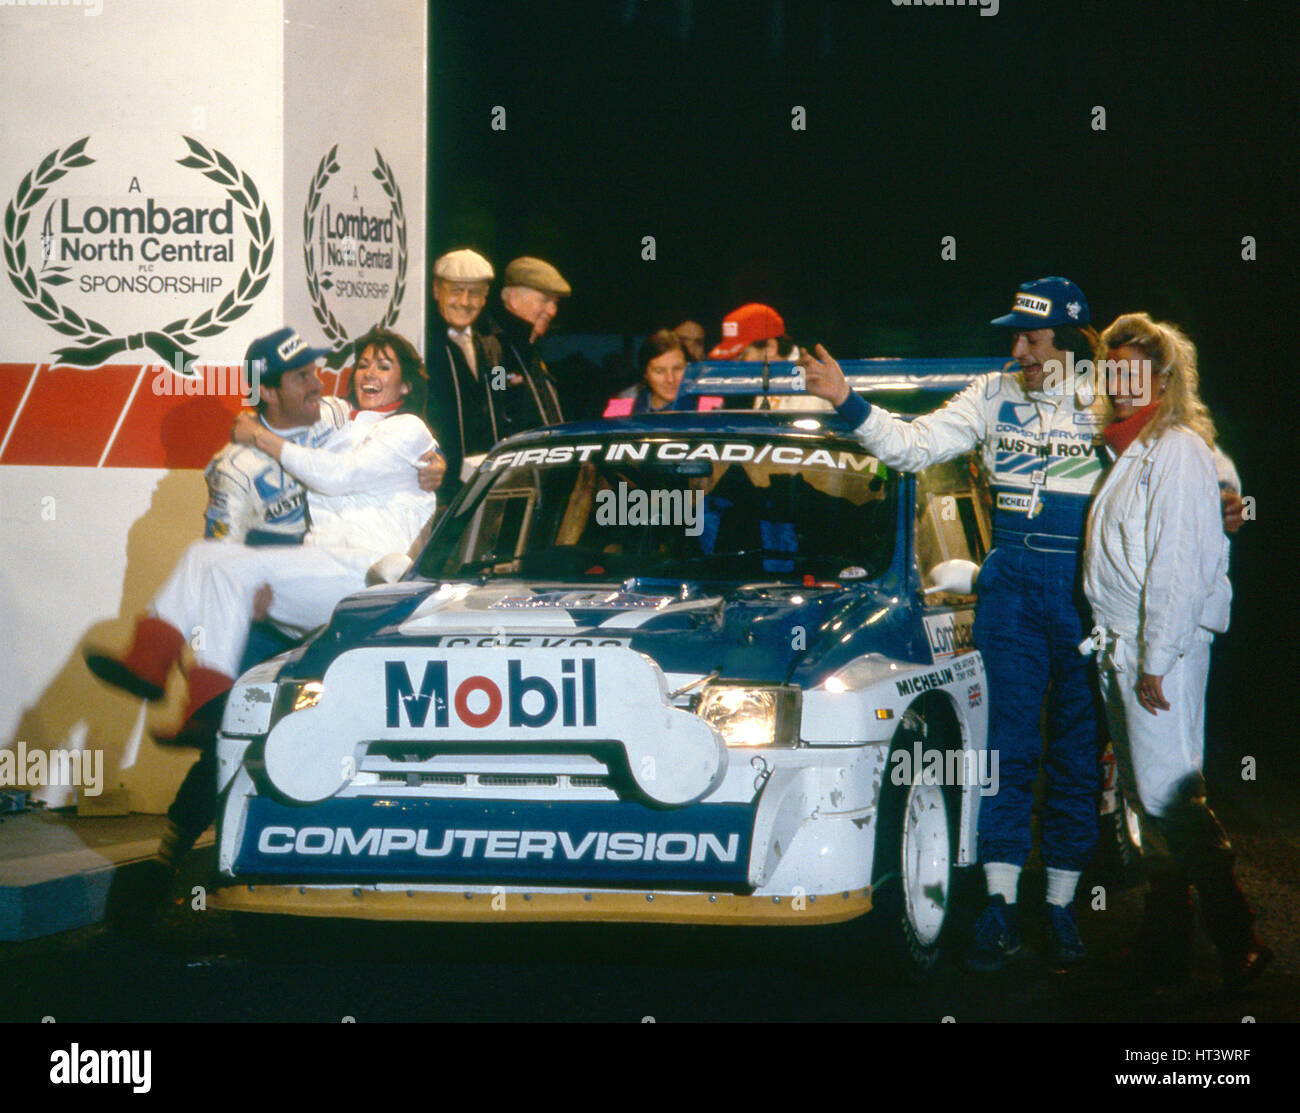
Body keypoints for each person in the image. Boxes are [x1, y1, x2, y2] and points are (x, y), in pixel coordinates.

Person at [803, 277, 1110, 969]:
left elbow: (1180, 449)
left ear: (1070, 339)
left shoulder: (1109, 394)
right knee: (1005, 746)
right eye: (1016, 336)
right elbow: (912, 445)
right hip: (1010, 586)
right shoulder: (991, 392)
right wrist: (847, 401)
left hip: (1083, 589)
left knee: (1075, 747)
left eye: (1032, 338)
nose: (1019, 349)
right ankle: (997, 905)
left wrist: (1224, 494)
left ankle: (1061, 904)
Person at [86, 327, 438, 746]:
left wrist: (439, 464)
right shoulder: (334, 420)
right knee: (205, 558)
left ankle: (201, 713)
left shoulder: (408, 427)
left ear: (406, 383)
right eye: (362, 364)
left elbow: (337, 477)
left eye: (383, 366)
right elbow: (276, 423)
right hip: (316, 572)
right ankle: (175, 683)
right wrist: (254, 426)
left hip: (372, 578)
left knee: (228, 575)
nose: (368, 373)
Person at [1082, 312, 1270, 988]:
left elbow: (1179, 564)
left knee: (1166, 794)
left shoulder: (1180, 450)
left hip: (1155, 650)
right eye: (1113, 369)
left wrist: (1156, 658)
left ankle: (1238, 937)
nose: (1122, 381)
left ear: (1165, 378)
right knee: (1145, 796)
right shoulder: (1131, 447)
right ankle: (1167, 946)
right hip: (1127, 646)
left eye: (1136, 368)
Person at [424, 248, 505, 498]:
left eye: (475, 294)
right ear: (437, 290)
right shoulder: (424, 347)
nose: (465, 302)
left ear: (485, 298)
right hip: (441, 489)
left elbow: (500, 397)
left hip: (488, 483)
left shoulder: (494, 348)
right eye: (456, 291)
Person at [481, 255, 566, 429]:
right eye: (544, 300)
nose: (552, 311)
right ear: (513, 300)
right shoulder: (495, 349)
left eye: (554, 303)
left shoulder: (530, 348)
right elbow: (498, 411)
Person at [604, 329, 688, 415]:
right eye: (659, 371)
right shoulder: (623, 403)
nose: (670, 379)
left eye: (677, 369)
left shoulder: (701, 403)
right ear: (646, 374)